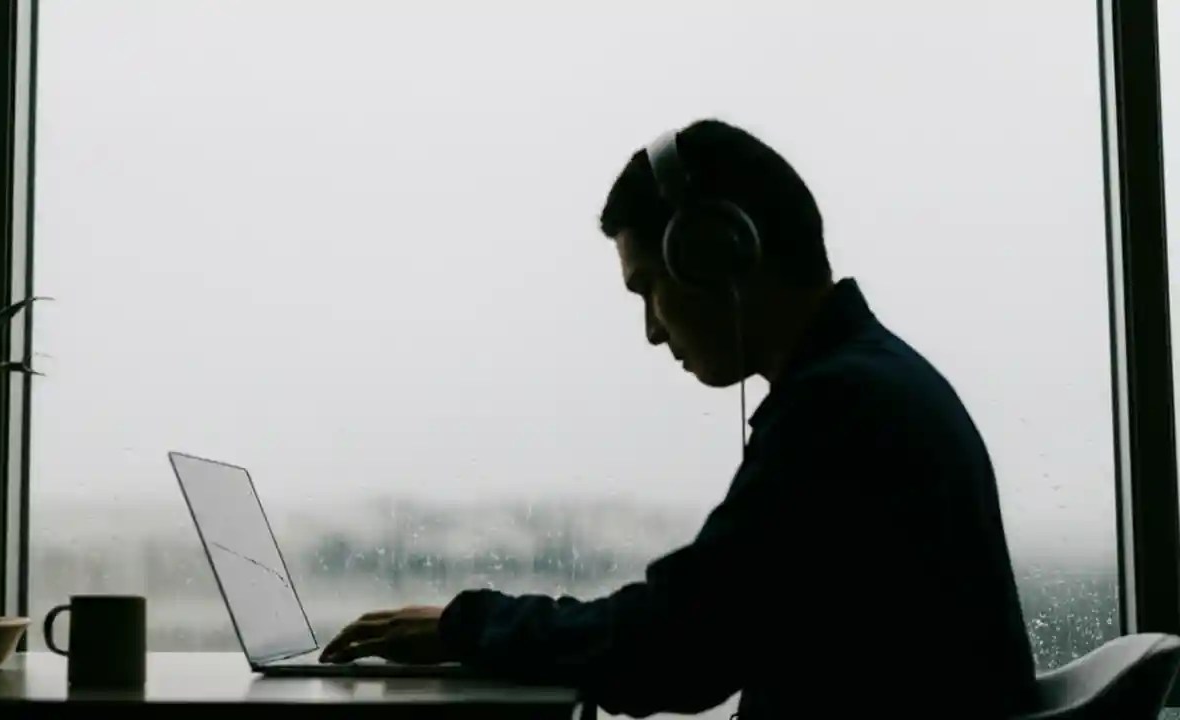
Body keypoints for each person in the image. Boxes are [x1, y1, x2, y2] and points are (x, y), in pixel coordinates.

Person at [320, 119, 1038, 718]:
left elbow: (675, 651)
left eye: (647, 290)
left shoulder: (841, 410)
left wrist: (466, 624)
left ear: (714, 255)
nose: (652, 333)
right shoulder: (875, 382)